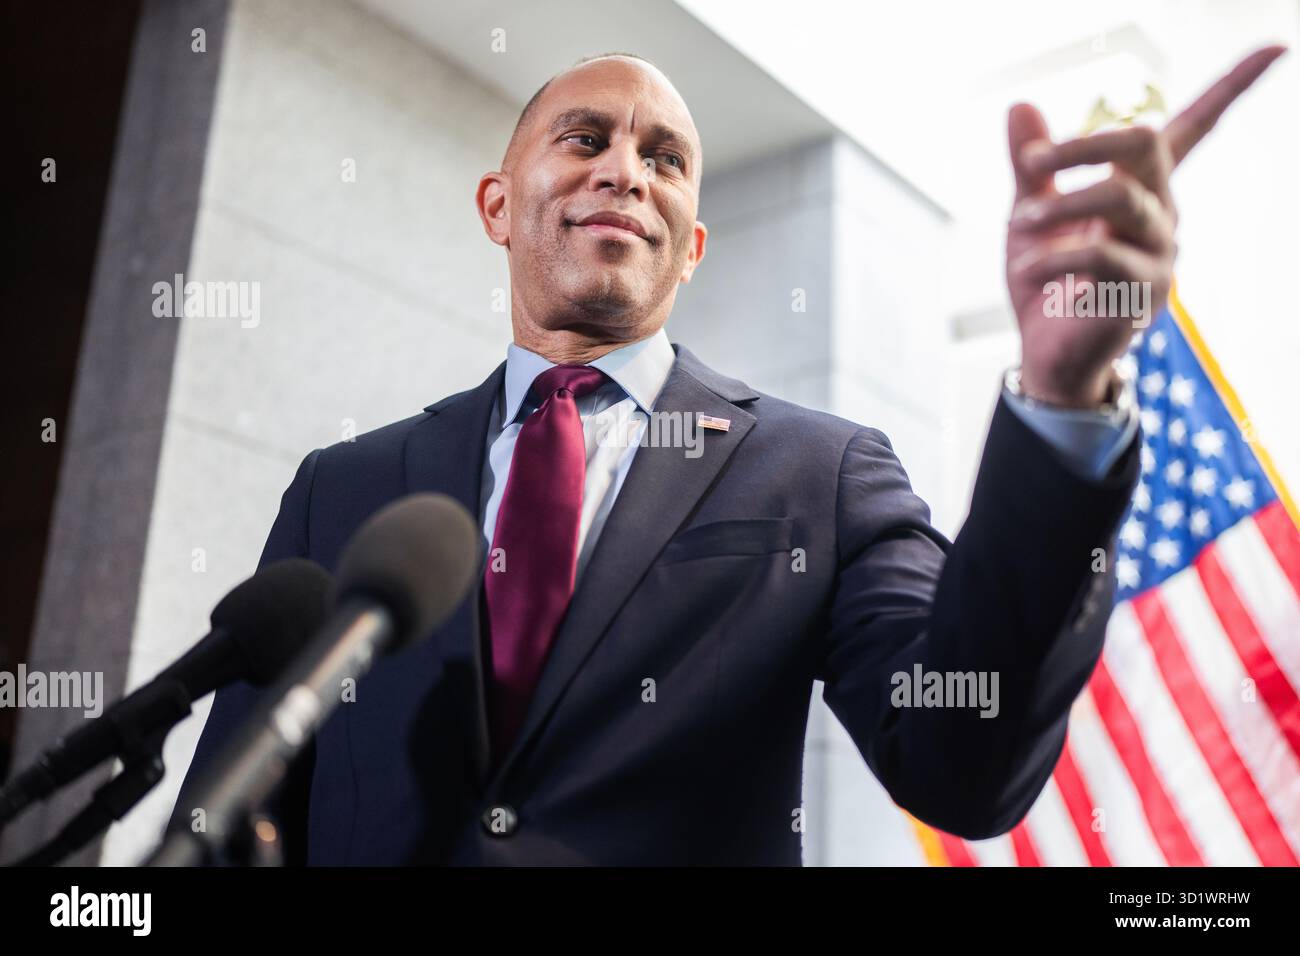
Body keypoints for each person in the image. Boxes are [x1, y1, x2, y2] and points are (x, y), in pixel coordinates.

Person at [172, 48, 1285, 865]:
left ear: (690, 243)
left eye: (664, 158)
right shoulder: (350, 488)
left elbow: (964, 753)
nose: (626, 170)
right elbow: (231, 811)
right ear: (497, 205)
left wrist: (1060, 396)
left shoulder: (821, 474)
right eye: (584, 138)